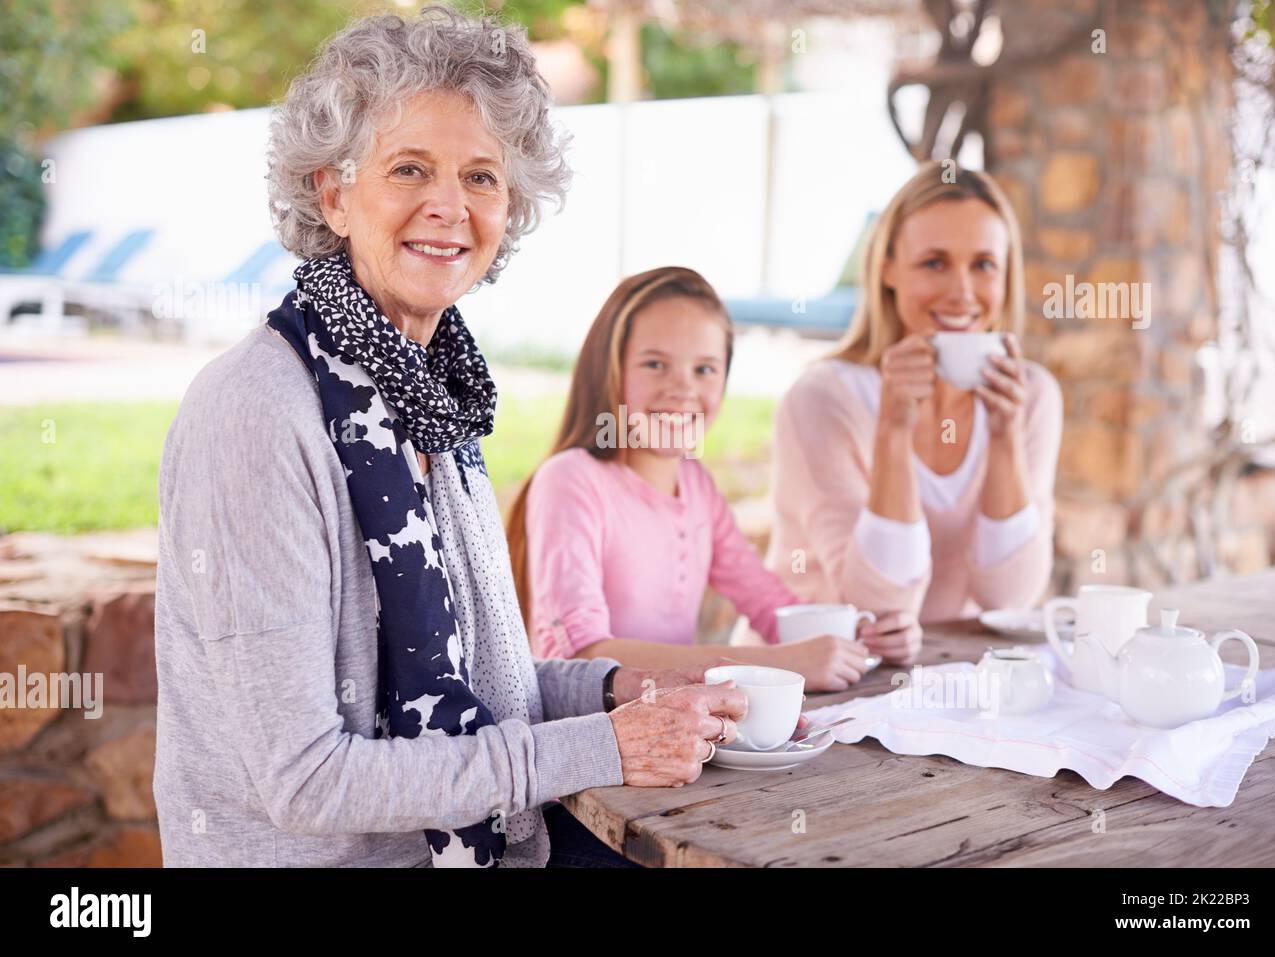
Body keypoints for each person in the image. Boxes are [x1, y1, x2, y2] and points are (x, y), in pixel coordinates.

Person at [152, 6, 745, 869]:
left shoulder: (437, 397)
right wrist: (608, 745)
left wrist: (627, 689)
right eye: (409, 168)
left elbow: (481, 684)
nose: (449, 206)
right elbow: (307, 780)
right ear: (332, 190)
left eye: (480, 177)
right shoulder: (254, 412)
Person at [506, 266, 905, 692]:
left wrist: (864, 638)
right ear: (608, 369)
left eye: (705, 370)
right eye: (655, 364)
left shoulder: (697, 486)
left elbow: (769, 605)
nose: (682, 389)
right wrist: (776, 665)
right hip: (593, 741)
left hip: (680, 733)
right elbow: (581, 656)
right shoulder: (571, 480)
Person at [768, 161, 1063, 633]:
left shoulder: (1032, 397)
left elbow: (1009, 600)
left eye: (984, 265)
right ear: (887, 268)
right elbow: (875, 605)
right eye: (934, 263)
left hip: (948, 678)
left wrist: (1005, 438)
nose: (962, 292)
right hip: (813, 684)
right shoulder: (823, 400)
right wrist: (893, 431)